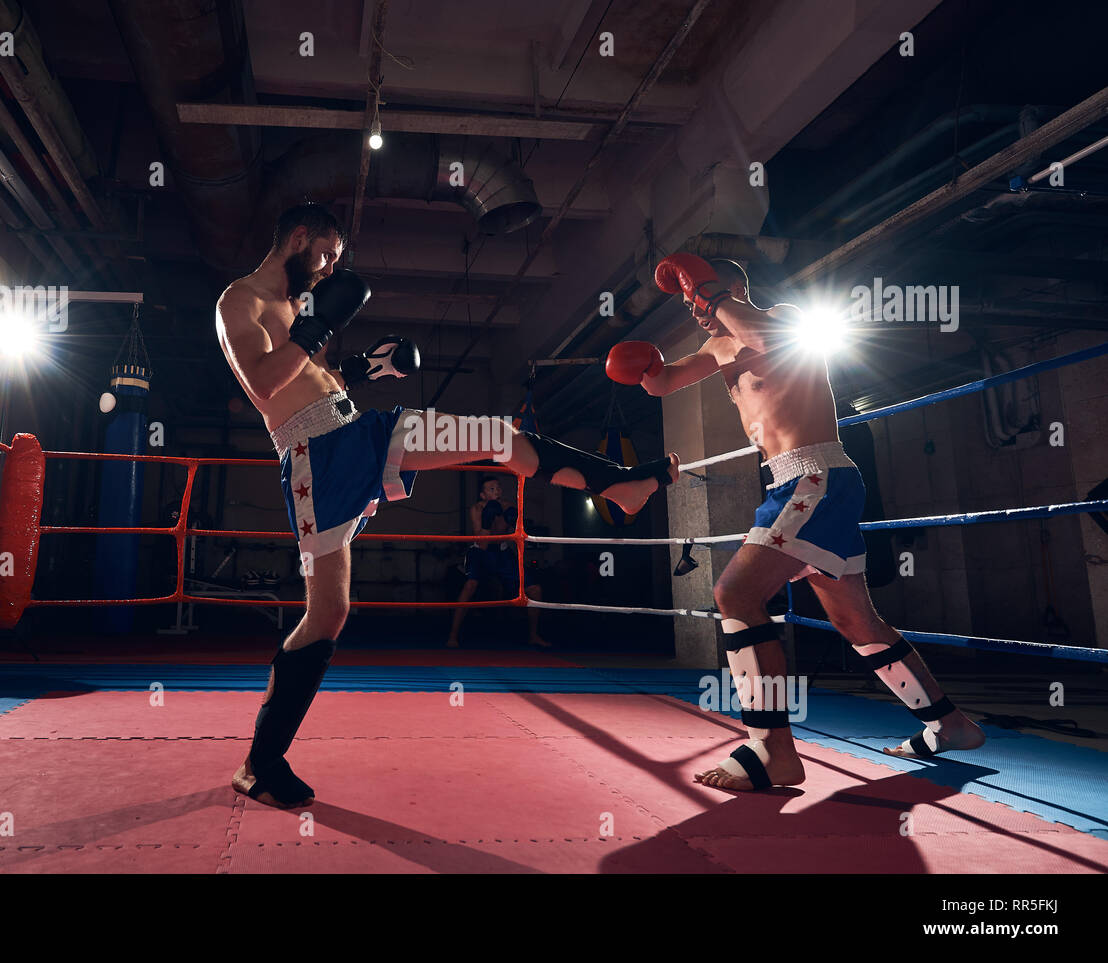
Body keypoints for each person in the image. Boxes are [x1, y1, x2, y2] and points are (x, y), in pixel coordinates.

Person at [215, 203, 678, 808]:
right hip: (315, 459)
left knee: (493, 436)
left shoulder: (301, 308)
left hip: (361, 429)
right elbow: (265, 384)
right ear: (298, 238)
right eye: (325, 255)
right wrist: (318, 327)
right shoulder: (240, 302)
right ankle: (260, 762)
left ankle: (617, 483)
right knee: (328, 615)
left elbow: (316, 377)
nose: (329, 270)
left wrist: (361, 367)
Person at [606, 253, 984, 792]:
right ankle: (950, 724)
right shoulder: (717, 346)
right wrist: (646, 369)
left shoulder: (779, 319)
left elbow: (760, 337)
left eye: (701, 299)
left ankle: (773, 749)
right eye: (691, 304)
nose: (698, 312)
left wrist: (714, 295)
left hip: (815, 474)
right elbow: (667, 383)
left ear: (735, 288)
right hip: (791, 483)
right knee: (858, 624)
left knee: (735, 594)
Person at [446, 474, 548, 649]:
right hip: (480, 552)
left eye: (498, 487)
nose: (497, 491)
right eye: (491, 489)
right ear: (483, 495)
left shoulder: (509, 507)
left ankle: (533, 635)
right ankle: (452, 635)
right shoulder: (477, 509)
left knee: (535, 590)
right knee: (470, 586)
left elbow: (509, 536)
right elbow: (483, 543)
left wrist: (507, 520)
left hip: (501, 553)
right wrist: (487, 521)